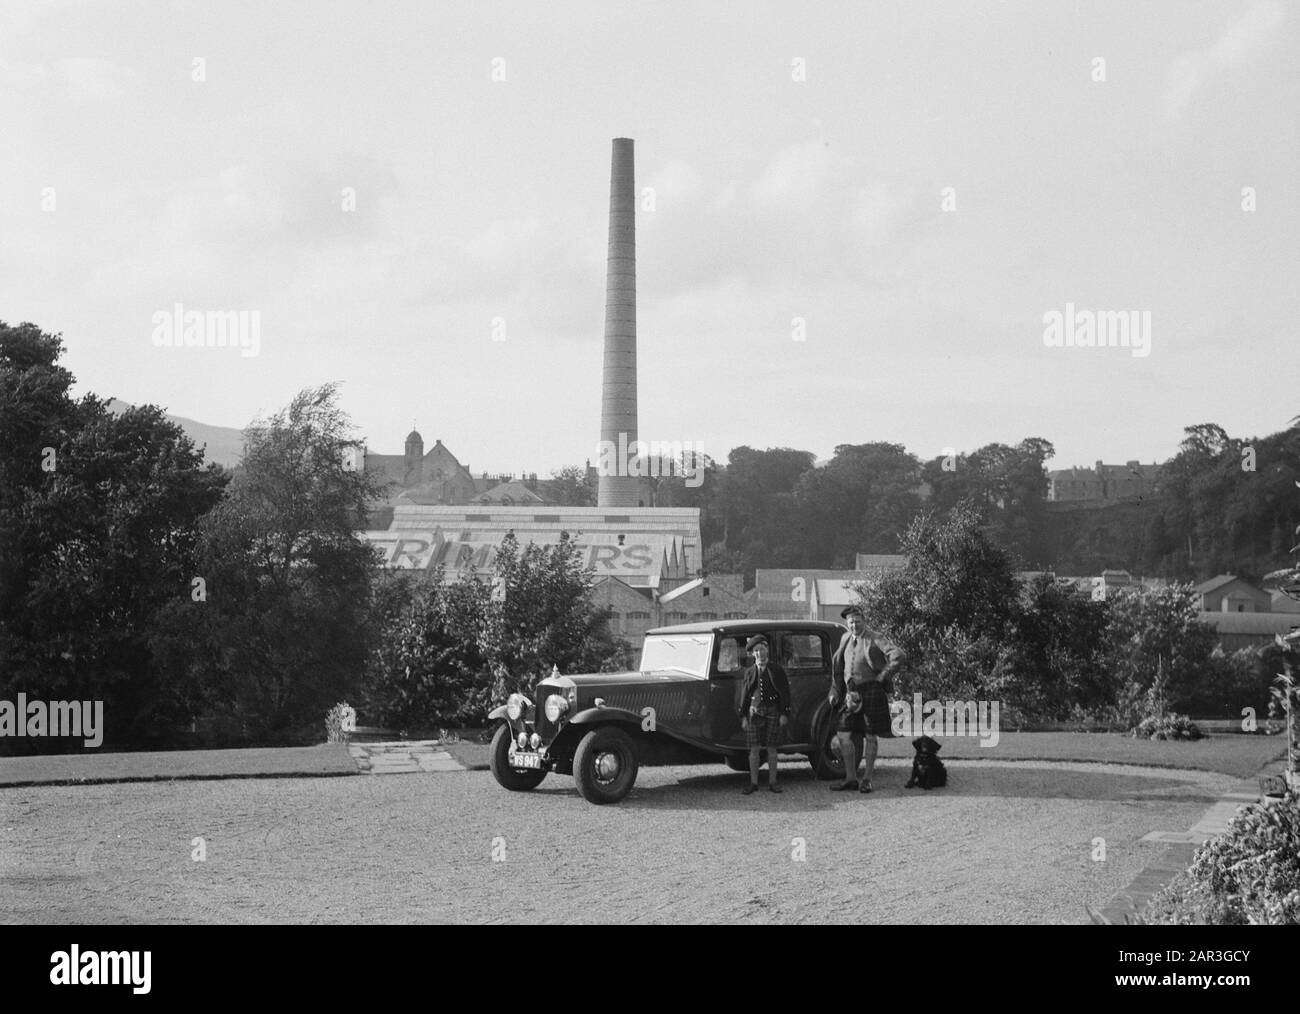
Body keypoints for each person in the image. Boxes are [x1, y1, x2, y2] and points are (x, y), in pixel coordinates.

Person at [828, 605, 905, 793]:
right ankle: (851, 778)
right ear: (847, 623)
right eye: (851, 622)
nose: (854, 625)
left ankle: (867, 780)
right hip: (850, 694)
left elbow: (899, 655)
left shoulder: (875, 637)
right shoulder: (845, 638)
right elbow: (838, 667)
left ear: (864, 620)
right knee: (843, 735)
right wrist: (834, 690)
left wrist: (884, 675)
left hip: (872, 691)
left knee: (870, 736)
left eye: (857, 621)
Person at [738, 634, 792, 794]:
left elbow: (785, 693)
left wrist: (784, 713)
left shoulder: (777, 670)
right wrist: (743, 716)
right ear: (752, 654)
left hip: (773, 711)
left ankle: (773, 782)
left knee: (772, 749)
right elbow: (744, 695)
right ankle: (753, 784)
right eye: (756, 650)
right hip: (754, 713)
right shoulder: (749, 672)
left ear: (767, 650)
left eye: (762, 649)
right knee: (753, 749)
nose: (759, 653)